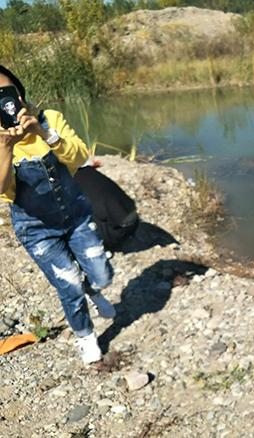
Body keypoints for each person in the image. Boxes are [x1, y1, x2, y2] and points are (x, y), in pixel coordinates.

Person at [0, 65, 116, 365]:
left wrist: (42, 132)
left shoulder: (49, 119)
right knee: (68, 284)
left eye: (5, 92)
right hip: (37, 231)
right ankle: (85, 336)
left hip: (76, 215)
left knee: (102, 275)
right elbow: (2, 190)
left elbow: (78, 157)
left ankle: (94, 289)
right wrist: (6, 148)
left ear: (18, 92)